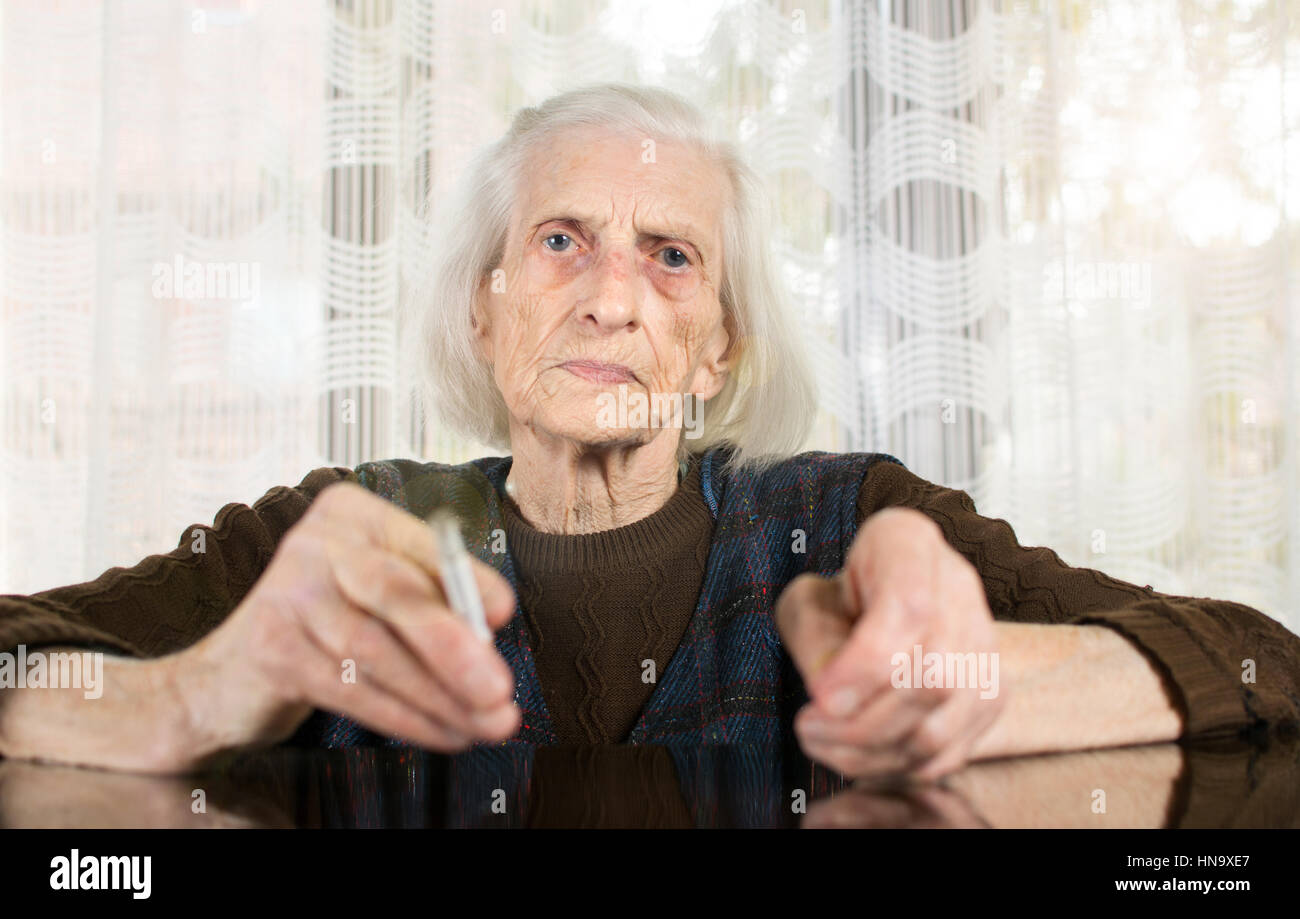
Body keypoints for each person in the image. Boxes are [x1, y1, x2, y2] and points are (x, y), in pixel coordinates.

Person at [1, 83, 1296, 779]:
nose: (613, 295)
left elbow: (1261, 667)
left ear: (722, 339)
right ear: (485, 305)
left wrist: (981, 684)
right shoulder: (353, 533)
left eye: (671, 256)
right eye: (561, 240)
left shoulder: (851, 518)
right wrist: (186, 692)